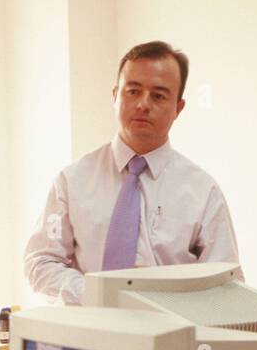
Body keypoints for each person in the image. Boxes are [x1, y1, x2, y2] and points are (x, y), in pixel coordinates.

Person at [24, 40, 242, 307]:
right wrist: (95, 295)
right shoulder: (72, 181)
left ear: (179, 107)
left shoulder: (203, 192)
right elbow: (40, 261)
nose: (143, 104)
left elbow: (225, 285)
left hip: (171, 337)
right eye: (133, 91)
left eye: (159, 95)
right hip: (87, 336)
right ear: (115, 95)